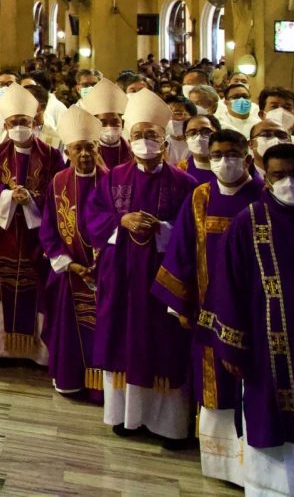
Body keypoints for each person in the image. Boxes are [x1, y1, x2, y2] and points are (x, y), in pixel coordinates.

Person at [205, 144, 294, 497]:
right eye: (279, 175)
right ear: (266, 179)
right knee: (270, 423)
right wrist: (231, 345)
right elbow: (228, 285)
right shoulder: (250, 220)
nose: (289, 182)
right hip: (266, 344)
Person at [82, 88, 195, 448]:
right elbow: (92, 218)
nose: (145, 141)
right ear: (129, 141)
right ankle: (125, 417)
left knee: (163, 343)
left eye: (152, 135)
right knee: (122, 338)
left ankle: (168, 425)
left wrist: (162, 229)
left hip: (164, 278)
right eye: (138, 135)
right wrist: (122, 220)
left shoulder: (184, 182)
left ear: (165, 139)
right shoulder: (112, 177)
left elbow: (193, 231)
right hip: (123, 274)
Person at [152, 128, 262, 484]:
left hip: (256, 313)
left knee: (252, 387)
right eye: (218, 155)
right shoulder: (200, 197)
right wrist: (181, 306)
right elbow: (181, 250)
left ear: (247, 156)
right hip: (207, 312)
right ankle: (222, 466)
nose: (225, 161)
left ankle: (255, 466)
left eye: (232, 153)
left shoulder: (263, 195)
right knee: (214, 390)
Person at [0, 83, 64, 365]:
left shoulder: (52, 156)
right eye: (14, 122)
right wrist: (6, 196)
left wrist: (31, 199)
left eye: (24, 122)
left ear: (35, 121)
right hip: (4, 235)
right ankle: (5, 351)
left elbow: (59, 192)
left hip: (37, 236)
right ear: (5, 124)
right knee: (2, 291)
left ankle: (36, 353)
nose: (19, 126)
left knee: (36, 290)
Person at [39, 107, 105, 402]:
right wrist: (71, 265)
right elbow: (49, 228)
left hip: (106, 275)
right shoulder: (57, 182)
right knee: (69, 331)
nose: (85, 154)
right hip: (70, 274)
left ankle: (102, 387)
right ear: (68, 151)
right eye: (78, 148)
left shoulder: (112, 181)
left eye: (90, 147)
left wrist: (102, 264)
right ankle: (71, 381)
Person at [80, 78, 131, 169]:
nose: (109, 127)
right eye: (103, 123)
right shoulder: (84, 154)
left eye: (115, 122)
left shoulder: (133, 153)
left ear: (122, 124)